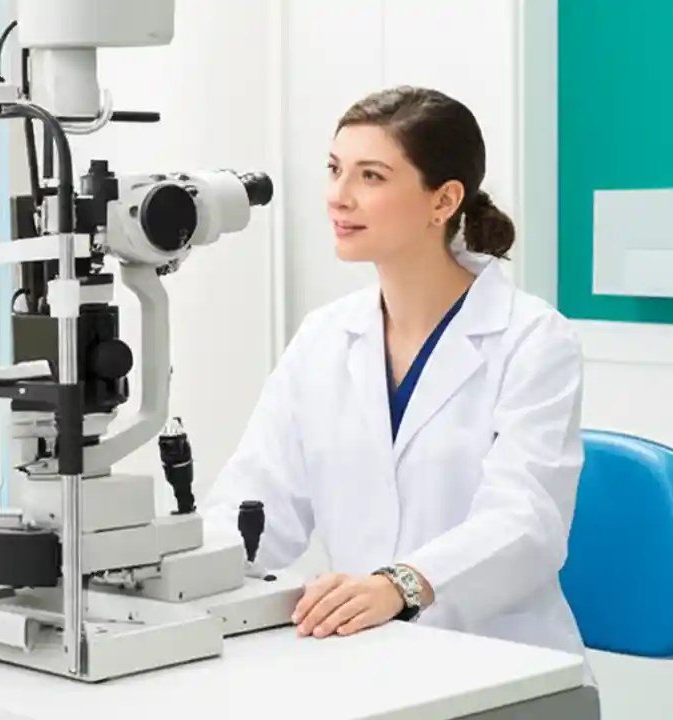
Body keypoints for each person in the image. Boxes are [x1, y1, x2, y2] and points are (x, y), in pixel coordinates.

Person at [206, 87, 589, 666]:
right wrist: (172, 571)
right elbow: (256, 502)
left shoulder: (533, 339)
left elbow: (526, 521)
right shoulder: (323, 338)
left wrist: (401, 585)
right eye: (335, 170)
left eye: (372, 177)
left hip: (502, 662)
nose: (338, 197)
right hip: (367, 656)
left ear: (444, 201)